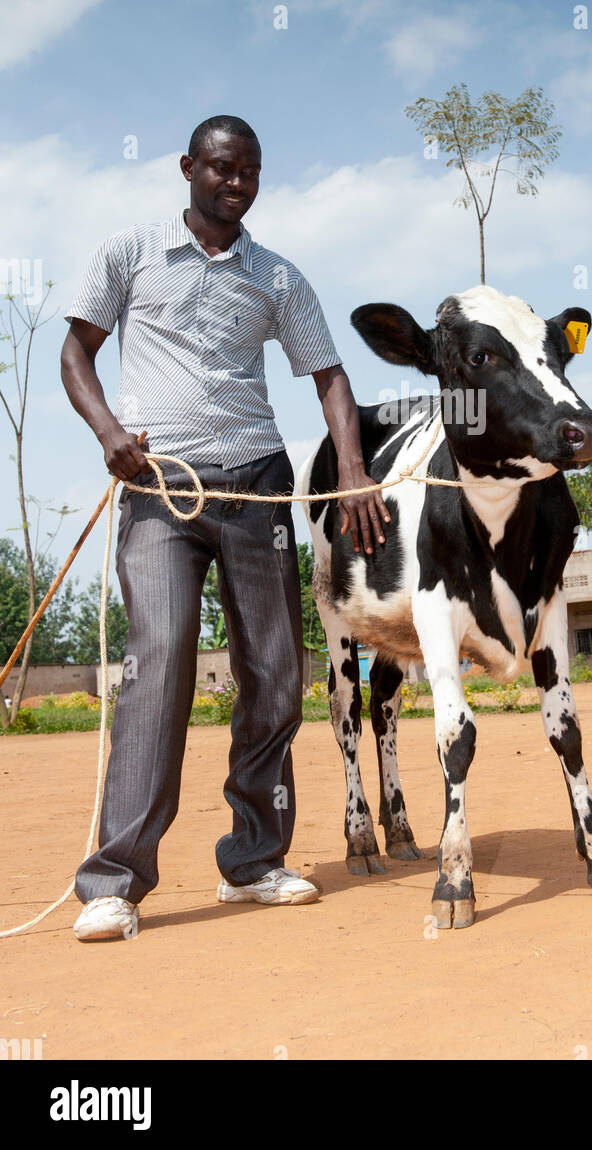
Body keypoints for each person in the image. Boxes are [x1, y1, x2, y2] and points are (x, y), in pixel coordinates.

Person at [61, 114, 388, 941]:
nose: (236, 183)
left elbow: (330, 376)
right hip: (159, 491)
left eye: (249, 171)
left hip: (257, 490)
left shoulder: (277, 278)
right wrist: (108, 434)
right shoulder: (129, 254)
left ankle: (253, 862)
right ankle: (116, 881)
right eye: (221, 169)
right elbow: (76, 352)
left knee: (276, 671)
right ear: (186, 169)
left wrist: (352, 471)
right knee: (161, 656)